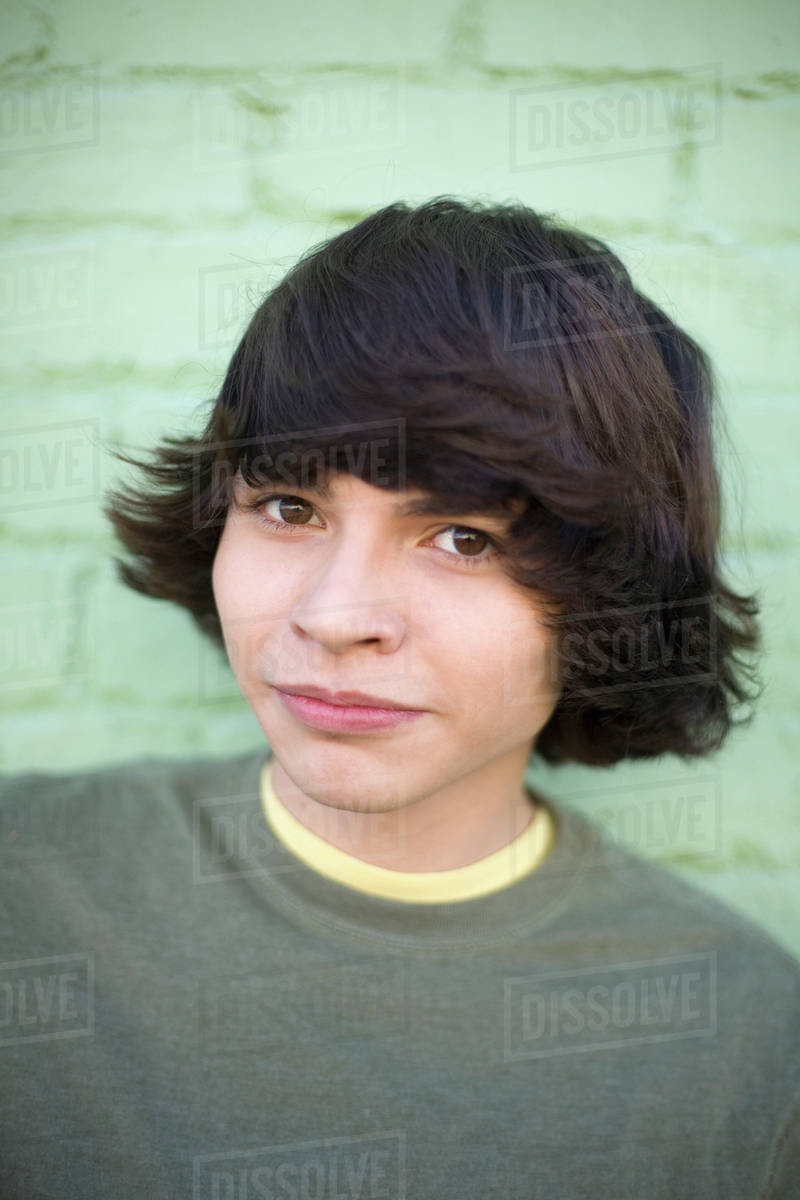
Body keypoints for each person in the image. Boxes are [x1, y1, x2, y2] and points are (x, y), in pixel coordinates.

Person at [2, 197, 798, 1199]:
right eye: (287, 507)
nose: (335, 617)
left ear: (610, 595)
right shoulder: (23, 886)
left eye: (463, 536)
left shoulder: (749, 1053)